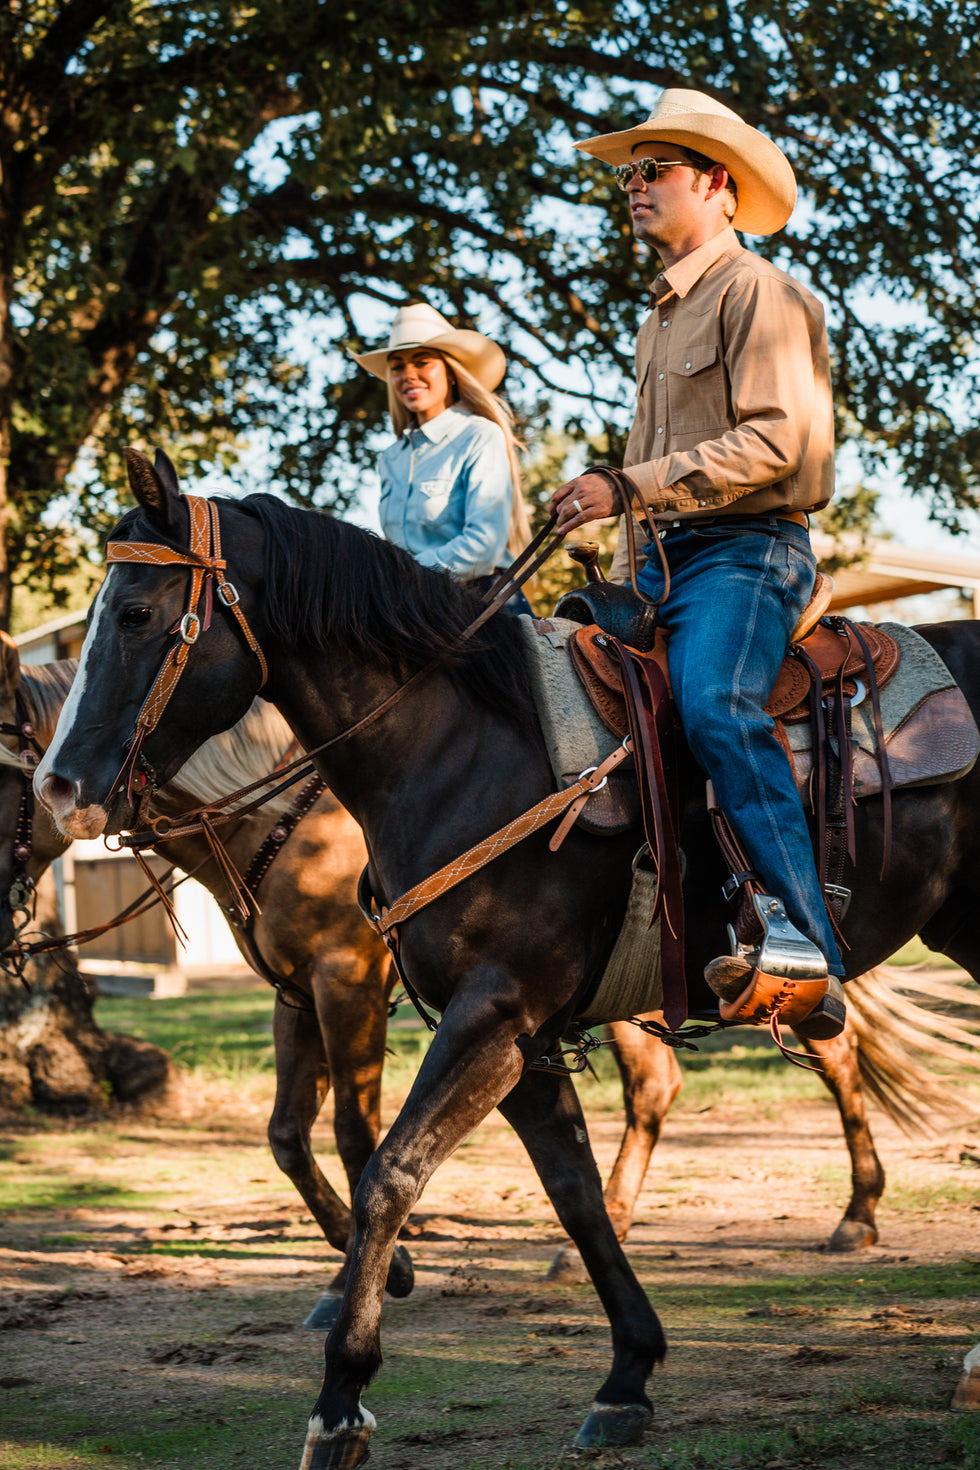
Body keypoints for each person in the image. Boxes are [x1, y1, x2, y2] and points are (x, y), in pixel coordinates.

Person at [549, 88, 846, 1038]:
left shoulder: (759, 292)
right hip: (667, 563)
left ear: (716, 185)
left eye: (654, 171)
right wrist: (607, 527)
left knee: (717, 702)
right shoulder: (659, 319)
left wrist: (628, 487)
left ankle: (812, 953)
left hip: (752, 552)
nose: (633, 188)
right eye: (629, 174)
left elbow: (779, 448)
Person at [351, 302, 533, 609]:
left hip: (482, 603)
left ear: (450, 372)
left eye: (422, 362)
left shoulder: (480, 435)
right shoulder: (390, 458)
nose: (408, 375)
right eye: (397, 367)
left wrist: (403, 574)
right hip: (415, 606)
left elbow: (483, 546)